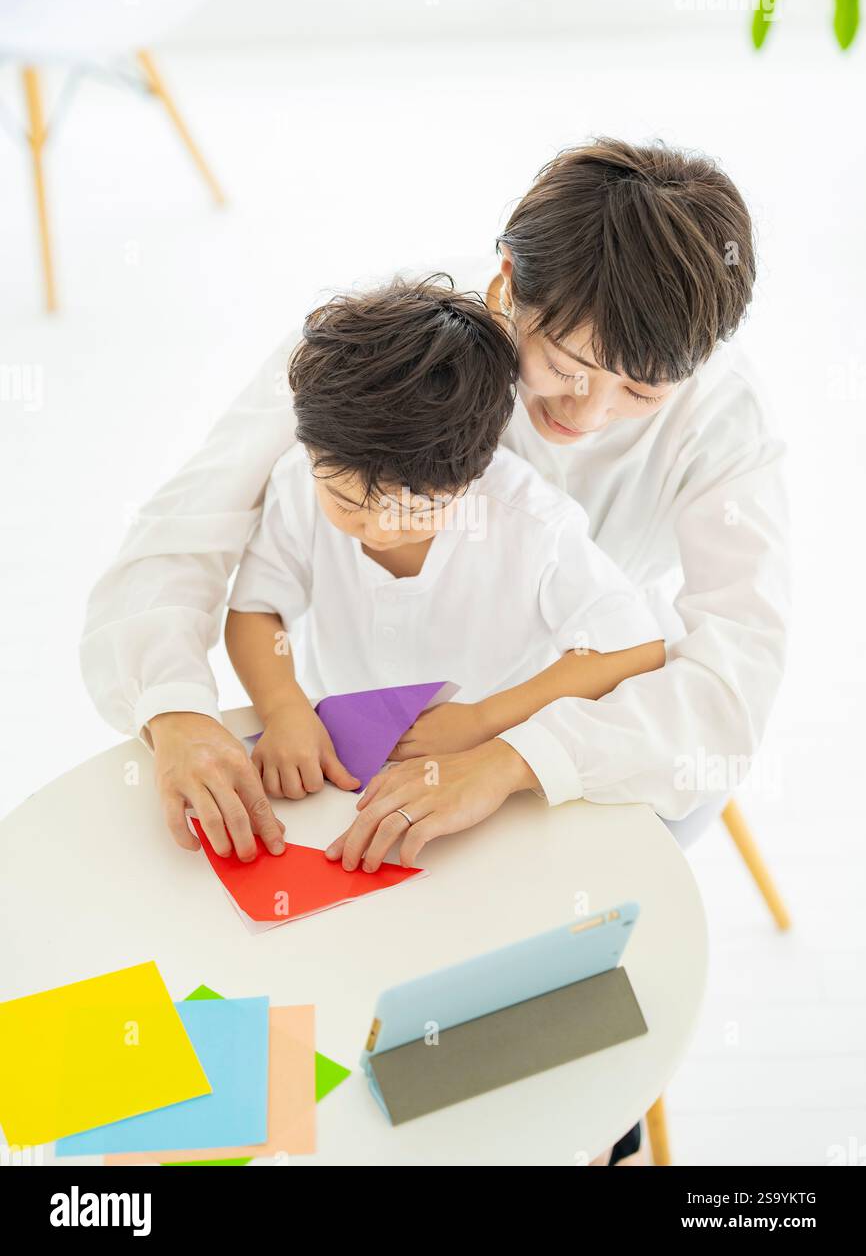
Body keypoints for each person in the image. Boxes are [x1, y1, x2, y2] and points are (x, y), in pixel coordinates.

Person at [80, 138, 789, 869]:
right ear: (508, 284)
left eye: (641, 393)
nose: (588, 413)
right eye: (564, 366)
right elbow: (187, 528)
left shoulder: (724, 416)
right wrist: (175, 707)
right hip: (374, 728)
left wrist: (512, 756)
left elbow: (732, 685)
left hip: (591, 731)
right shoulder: (389, 343)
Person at [220, 278, 664, 869]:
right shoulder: (301, 487)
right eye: (348, 505)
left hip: (492, 781)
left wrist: (484, 721)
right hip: (349, 763)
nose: (377, 528)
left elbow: (631, 646)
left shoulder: (529, 522)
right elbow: (256, 608)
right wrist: (283, 707)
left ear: (475, 471)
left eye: (416, 513)